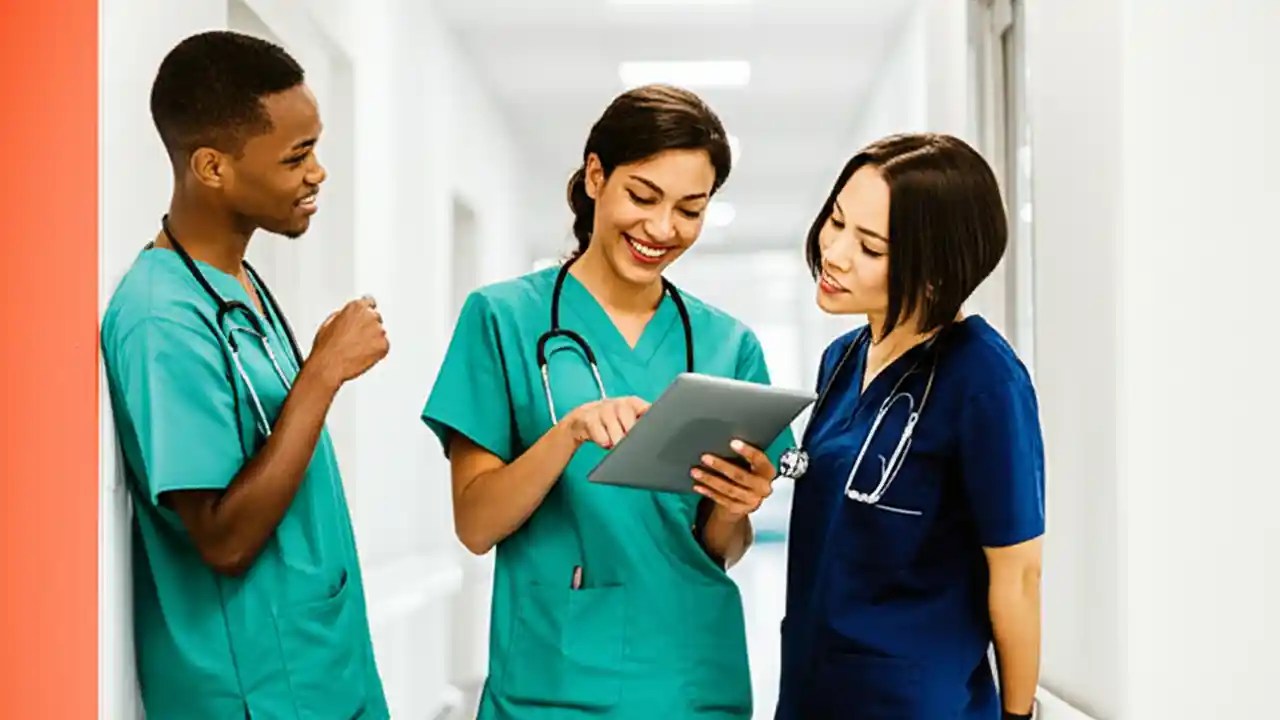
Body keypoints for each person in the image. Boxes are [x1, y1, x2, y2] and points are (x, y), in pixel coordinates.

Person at [421, 84, 793, 719]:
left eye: (690, 209)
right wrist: (566, 433)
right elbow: (476, 525)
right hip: (554, 680)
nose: (662, 228)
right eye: (643, 197)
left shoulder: (728, 344)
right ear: (596, 175)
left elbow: (721, 549)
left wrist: (735, 508)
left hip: (694, 678)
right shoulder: (504, 318)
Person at [100, 31, 389, 719]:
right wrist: (321, 375)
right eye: (297, 156)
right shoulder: (159, 318)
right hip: (255, 689)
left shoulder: (233, 284)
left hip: (317, 663)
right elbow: (223, 539)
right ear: (212, 166)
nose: (317, 173)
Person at [774, 133, 1045, 720]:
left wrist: (1019, 717)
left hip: (916, 702)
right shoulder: (842, 359)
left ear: (935, 268)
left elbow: (1018, 576)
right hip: (813, 690)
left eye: (870, 247)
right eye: (837, 222)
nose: (836, 253)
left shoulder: (984, 381)